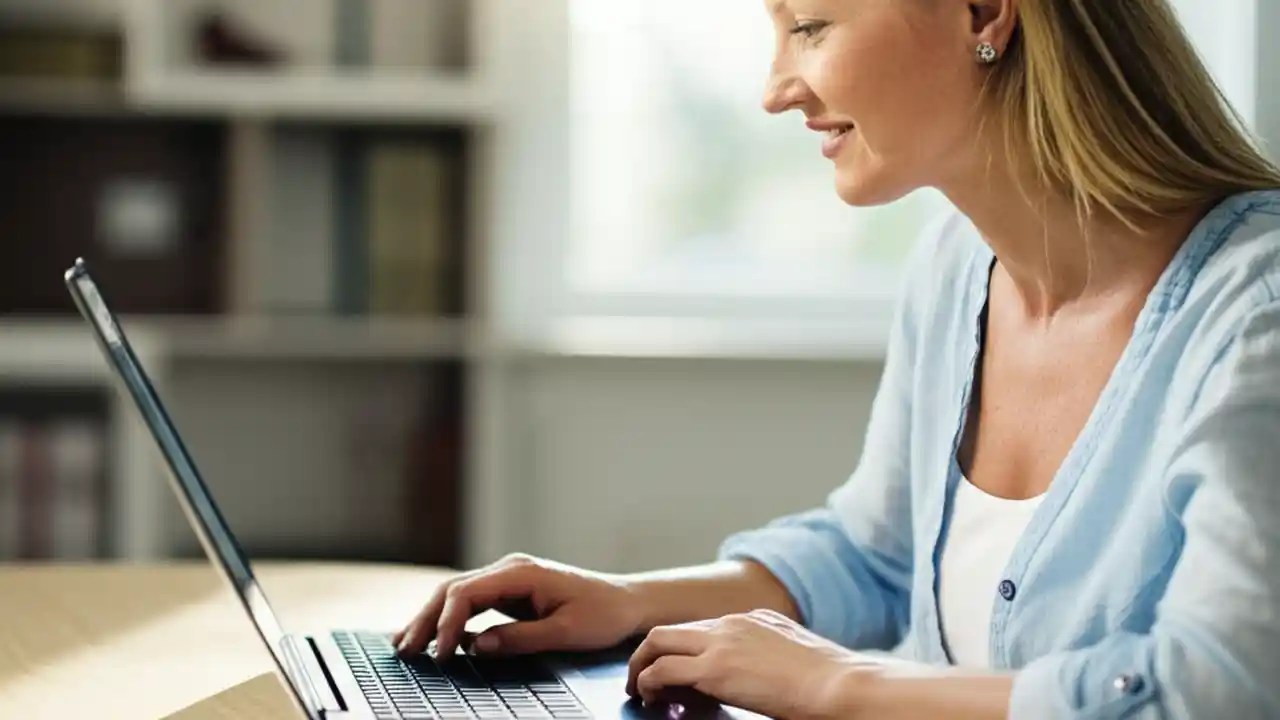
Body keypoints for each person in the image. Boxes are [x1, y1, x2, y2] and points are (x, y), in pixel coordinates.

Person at [397, 0, 1280, 717]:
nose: (776, 90)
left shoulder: (1256, 313)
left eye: (810, 27)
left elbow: (1221, 688)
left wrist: (841, 686)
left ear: (983, 13)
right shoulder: (956, 266)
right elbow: (876, 557)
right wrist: (631, 600)